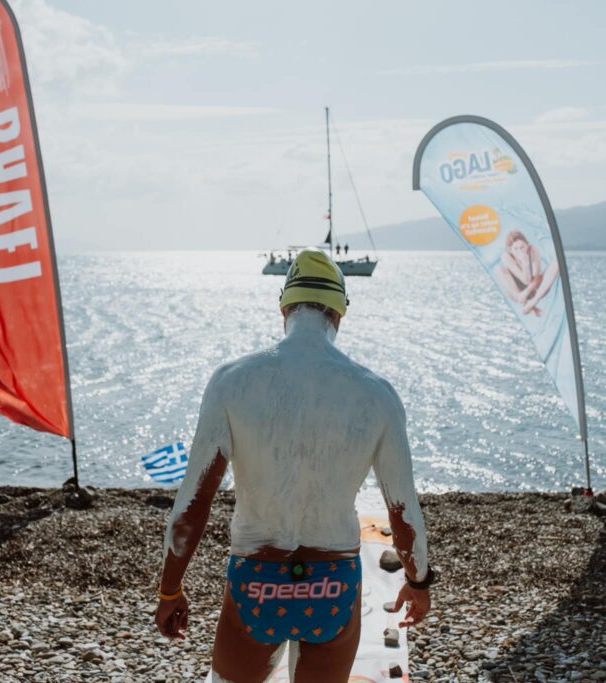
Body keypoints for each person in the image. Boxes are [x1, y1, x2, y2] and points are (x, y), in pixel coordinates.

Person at [155, 248, 433, 682]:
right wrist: (418, 584)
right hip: (333, 583)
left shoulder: (232, 382)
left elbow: (192, 507)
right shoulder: (377, 394)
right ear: (339, 313)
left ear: (284, 307)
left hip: (256, 579)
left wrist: (170, 590)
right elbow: (404, 516)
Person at [497, 230, 560, 316]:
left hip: (535, 290)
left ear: (527, 245)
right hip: (518, 294)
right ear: (510, 250)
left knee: (557, 263)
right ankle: (528, 305)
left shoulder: (532, 250)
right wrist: (525, 264)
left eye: (522, 247)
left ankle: (533, 302)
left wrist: (528, 293)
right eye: (515, 249)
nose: (520, 251)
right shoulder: (506, 257)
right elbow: (525, 280)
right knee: (499, 270)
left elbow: (535, 278)